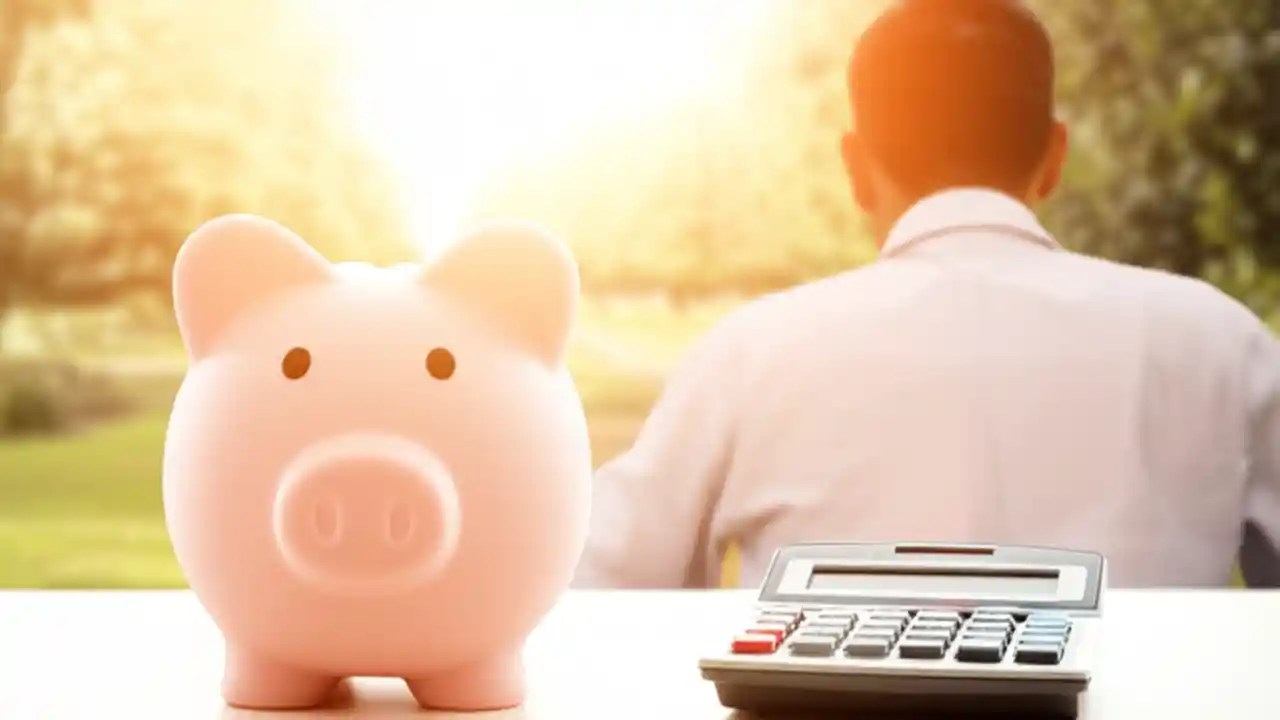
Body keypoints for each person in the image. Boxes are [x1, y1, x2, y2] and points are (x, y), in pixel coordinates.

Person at [571, 0, 1280, 590]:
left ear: (854, 168)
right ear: (1055, 157)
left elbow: (590, 580)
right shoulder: (1223, 342)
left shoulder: (748, 354)